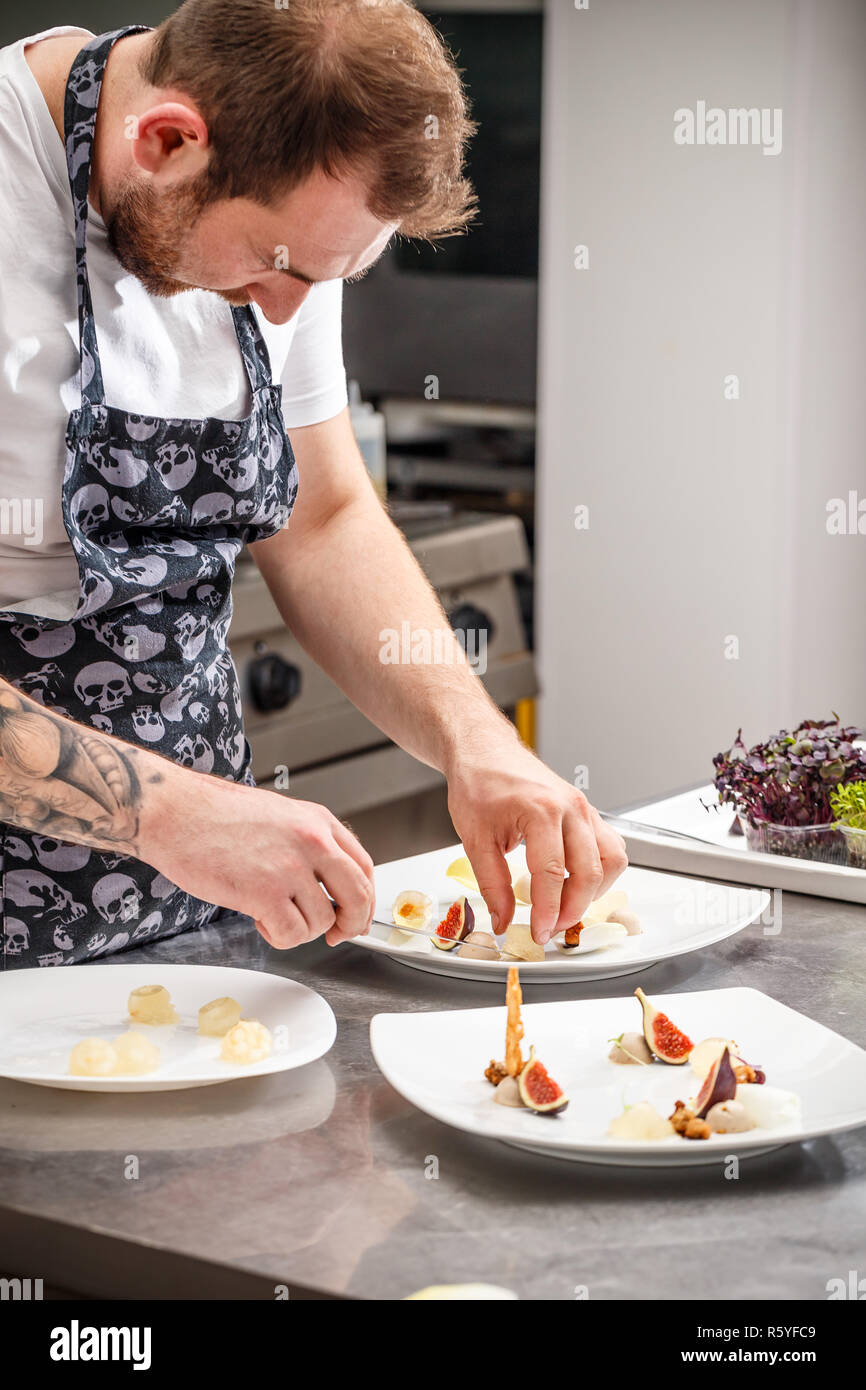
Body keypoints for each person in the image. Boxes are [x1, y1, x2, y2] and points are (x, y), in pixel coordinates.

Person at [0, 0, 626, 969]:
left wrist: (475, 742)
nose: (287, 306)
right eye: (272, 263)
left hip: (191, 921)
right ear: (168, 140)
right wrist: (167, 812)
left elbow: (324, 518)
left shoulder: (294, 210)